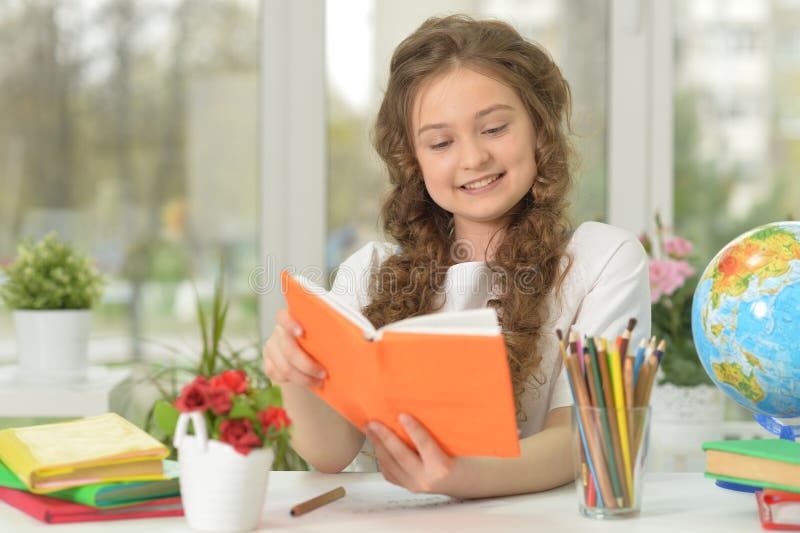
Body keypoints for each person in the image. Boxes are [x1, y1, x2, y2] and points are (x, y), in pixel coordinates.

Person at [262, 14, 650, 498]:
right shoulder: (369, 272)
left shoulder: (602, 260)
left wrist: (466, 477)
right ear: (414, 161)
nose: (472, 158)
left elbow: (585, 434)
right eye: (441, 142)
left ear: (539, 128)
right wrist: (293, 373)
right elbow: (331, 452)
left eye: (494, 128)